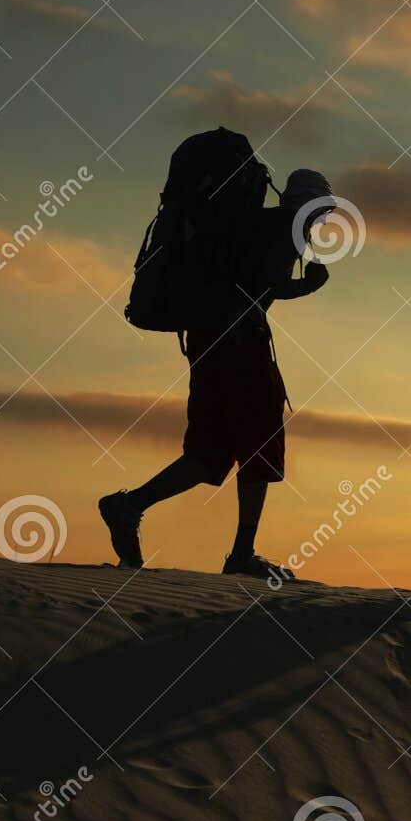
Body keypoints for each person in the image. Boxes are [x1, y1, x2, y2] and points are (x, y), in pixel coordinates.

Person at [98, 169, 336, 580]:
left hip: (206, 343)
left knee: (209, 453)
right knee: (260, 444)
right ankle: (242, 555)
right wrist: (307, 285)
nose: (322, 220)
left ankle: (129, 506)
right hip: (241, 346)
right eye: (323, 209)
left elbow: (245, 278)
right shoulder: (286, 227)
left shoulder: (249, 224)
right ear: (309, 202)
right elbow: (263, 283)